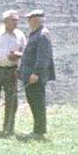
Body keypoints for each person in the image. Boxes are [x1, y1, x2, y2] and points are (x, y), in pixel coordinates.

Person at [17, 9, 55, 141]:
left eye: (30, 19)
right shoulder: (36, 34)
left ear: (36, 19)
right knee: (33, 102)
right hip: (29, 75)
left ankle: (39, 132)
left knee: (37, 103)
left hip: (35, 77)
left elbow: (43, 57)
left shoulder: (42, 35)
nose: (28, 21)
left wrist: (36, 73)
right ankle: (37, 130)